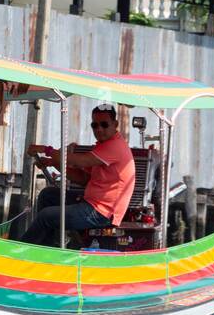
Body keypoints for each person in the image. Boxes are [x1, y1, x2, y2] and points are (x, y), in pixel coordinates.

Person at [19, 105, 136, 247]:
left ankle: (20, 253)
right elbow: (83, 179)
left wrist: (46, 150)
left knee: (46, 216)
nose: (99, 129)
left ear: (115, 124)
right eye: (95, 125)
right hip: (91, 203)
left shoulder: (114, 146)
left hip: (102, 214)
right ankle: (47, 247)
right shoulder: (102, 146)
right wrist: (54, 163)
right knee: (47, 195)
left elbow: (79, 160)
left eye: (104, 125)